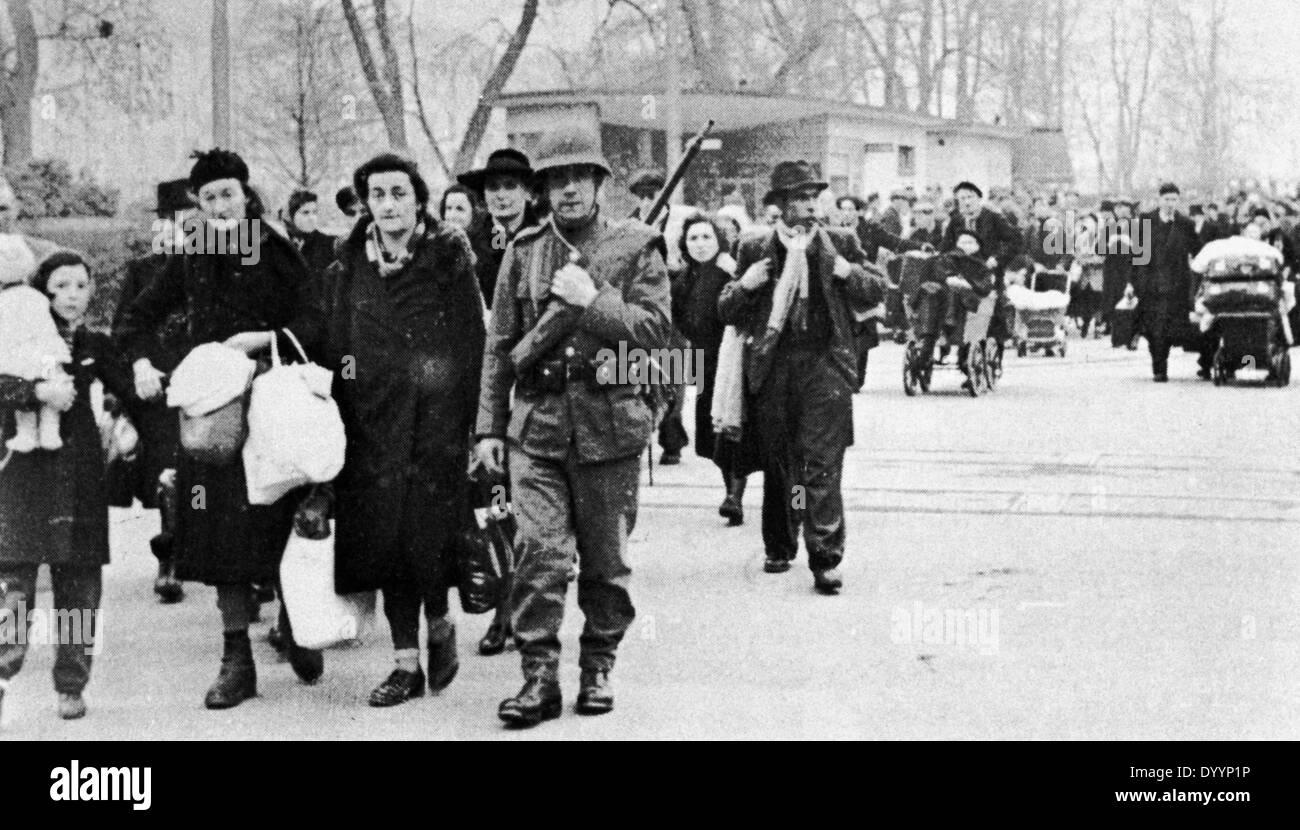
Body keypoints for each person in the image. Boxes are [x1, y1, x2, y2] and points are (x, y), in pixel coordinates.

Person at [474, 125, 671, 726]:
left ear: (599, 185)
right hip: (536, 426)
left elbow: (658, 335)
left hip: (609, 424)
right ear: (543, 190)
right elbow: (500, 345)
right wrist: (488, 428)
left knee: (606, 560)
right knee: (540, 553)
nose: (568, 191)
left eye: (579, 178)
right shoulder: (525, 250)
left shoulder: (636, 248)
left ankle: (598, 665)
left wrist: (595, 301)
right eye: (556, 180)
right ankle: (538, 677)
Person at [116, 148, 322, 709]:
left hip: (272, 403)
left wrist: (265, 340)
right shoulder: (195, 253)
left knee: (277, 518)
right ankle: (237, 658)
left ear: (245, 194)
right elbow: (136, 315)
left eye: (228, 194)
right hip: (214, 414)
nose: (220, 207)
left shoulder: (272, 246)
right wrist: (140, 360)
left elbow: (316, 319)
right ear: (198, 207)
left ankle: (297, 624)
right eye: (208, 199)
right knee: (218, 530)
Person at [293, 152, 484, 706]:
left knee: (428, 537)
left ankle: (441, 623)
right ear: (366, 202)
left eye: (399, 193)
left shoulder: (448, 257)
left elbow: (471, 343)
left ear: (418, 199)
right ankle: (405, 663)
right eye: (378, 195)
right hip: (370, 423)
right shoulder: (348, 262)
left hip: (435, 422)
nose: (389, 204)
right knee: (387, 544)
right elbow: (337, 342)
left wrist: (470, 424)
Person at [717, 159, 887, 593]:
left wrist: (847, 273)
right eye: (800, 199)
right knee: (781, 463)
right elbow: (727, 310)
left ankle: (825, 557)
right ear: (780, 205)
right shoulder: (755, 249)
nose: (810, 206)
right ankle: (780, 543)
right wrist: (748, 285)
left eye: (814, 198)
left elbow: (877, 289)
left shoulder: (840, 242)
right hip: (773, 366)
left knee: (821, 464)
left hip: (824, 364)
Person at [0, 251, 135, 723]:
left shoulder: (97, 344)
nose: (72, 296)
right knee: (13, 583)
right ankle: (1, 672)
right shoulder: (13, 331)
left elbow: (136, 398)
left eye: (81, 285)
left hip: (80, 481)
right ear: (42, 291)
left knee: (79, 587)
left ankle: (71, 683)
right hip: (20, 475)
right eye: (61, 286)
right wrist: (33, 393)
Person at [114, 178, 194, 604]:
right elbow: (123, 330)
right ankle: (171, 556)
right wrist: (140, 370)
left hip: (208, 380)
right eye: (173, 220)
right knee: (168, 469)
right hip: (159, 386)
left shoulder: (219, 262)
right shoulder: (143, 271)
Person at [672, 215, 746, 523]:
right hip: (703, 361)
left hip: (731, 359)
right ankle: (729, 489)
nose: (700, 244)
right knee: (709, 432)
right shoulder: (683, 279)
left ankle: (734, 496)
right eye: (693, 238)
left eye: (706, 237)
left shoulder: (729, 271)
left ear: (718, 240)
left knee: (731, 428)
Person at [1129, 182, 1207, 382]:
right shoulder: (1146, 221)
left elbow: (1199, 252)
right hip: (1151, 285)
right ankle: (1159, 368)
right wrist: (1133, 283)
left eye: (1174, 199)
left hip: (1178, 286)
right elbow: (1137, 257)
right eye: (1167, 199)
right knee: (1155, 329)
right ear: (1159, 200)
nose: (1170, 203)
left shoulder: (1185, 224)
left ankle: (1175, 364)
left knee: (1173, 328)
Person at [0, 238, 70, 453]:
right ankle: (49, 431)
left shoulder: (4, 300)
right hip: (46, 355)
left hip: (20, 358)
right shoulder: (36, 298)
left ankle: (28, 434)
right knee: (49, 383)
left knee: (28, 393)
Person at [458, 148, 540, 309]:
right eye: (493, 187)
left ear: (526, 190)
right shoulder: (469, 243)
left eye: (510, 186)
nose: (501, 195)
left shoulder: (544, 232)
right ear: (484, 193)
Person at [283, 190, 338, 281]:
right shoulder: (283, 245)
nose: (312, 218)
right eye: (305, 213)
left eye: (314, 212)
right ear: (292, 216)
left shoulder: (330, 243)